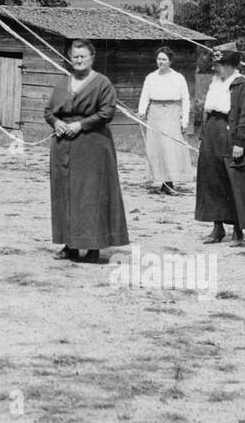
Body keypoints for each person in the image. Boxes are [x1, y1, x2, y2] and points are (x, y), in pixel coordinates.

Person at [45, 39, 128, 263]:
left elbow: (107, 112)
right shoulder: (63, 83)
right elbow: (48, 111)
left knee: (92, 195)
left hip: (93, 145)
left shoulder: (102, 83)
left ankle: (94, 247)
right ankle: (69, 245)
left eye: (83, 56)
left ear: (92, 58)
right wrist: (56, 123)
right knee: (66, 195)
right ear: (70, 58)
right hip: (63, 147)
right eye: (75, 56)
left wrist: (80, 125)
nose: (79, 60)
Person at [194, 41, 245, 246]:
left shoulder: (241, 83)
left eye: (218, 64)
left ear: (229, 64)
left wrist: (239, 142)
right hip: (212, 133)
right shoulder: (215, 82)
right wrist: (203, 134)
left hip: (230, 135)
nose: (215, 68)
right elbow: (207, 110)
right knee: (212, 180)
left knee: (233, 182)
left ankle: (238, 231)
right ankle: (217, 228)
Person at [137, 46, 192, 195]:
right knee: (157, 148)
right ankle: (162, 182)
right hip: (155, 113)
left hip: (172, 113)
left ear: (170, 61)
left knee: (170, 147)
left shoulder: (178, 77)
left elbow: (185, 99)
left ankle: (170, 183)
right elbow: (145, 96)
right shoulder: (151, 77)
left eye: (164, 59)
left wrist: (184, 119)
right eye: (159, 59)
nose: (161, 62)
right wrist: (142, 111)